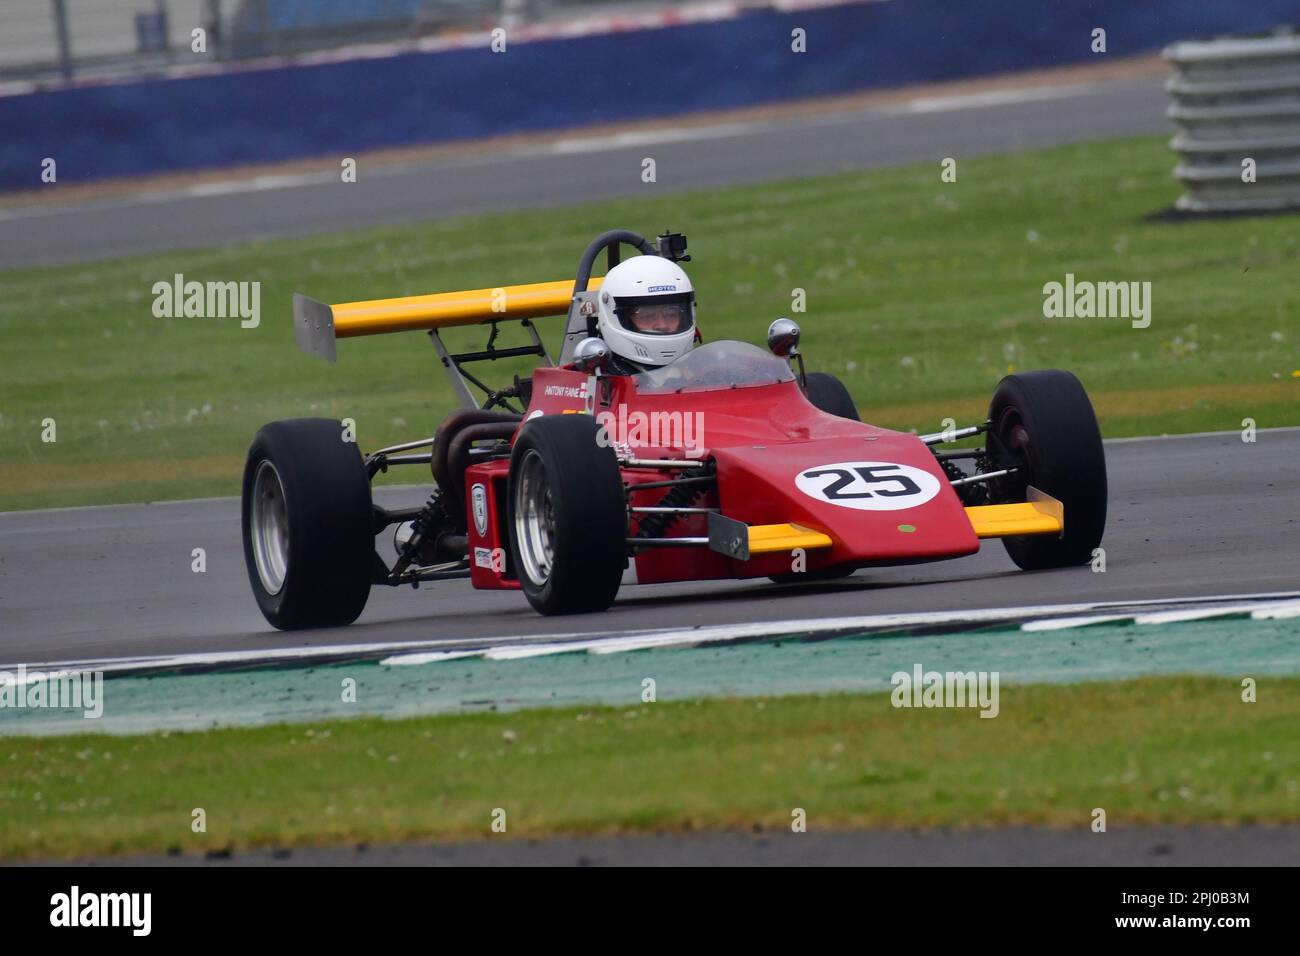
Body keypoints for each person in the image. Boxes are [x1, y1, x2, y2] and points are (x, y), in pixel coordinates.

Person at [594, 254, 697, 373]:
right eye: (647, 316)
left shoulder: (702, 371)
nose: (662, 325)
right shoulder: (597, 380)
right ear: (616, 317)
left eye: (671, 314)